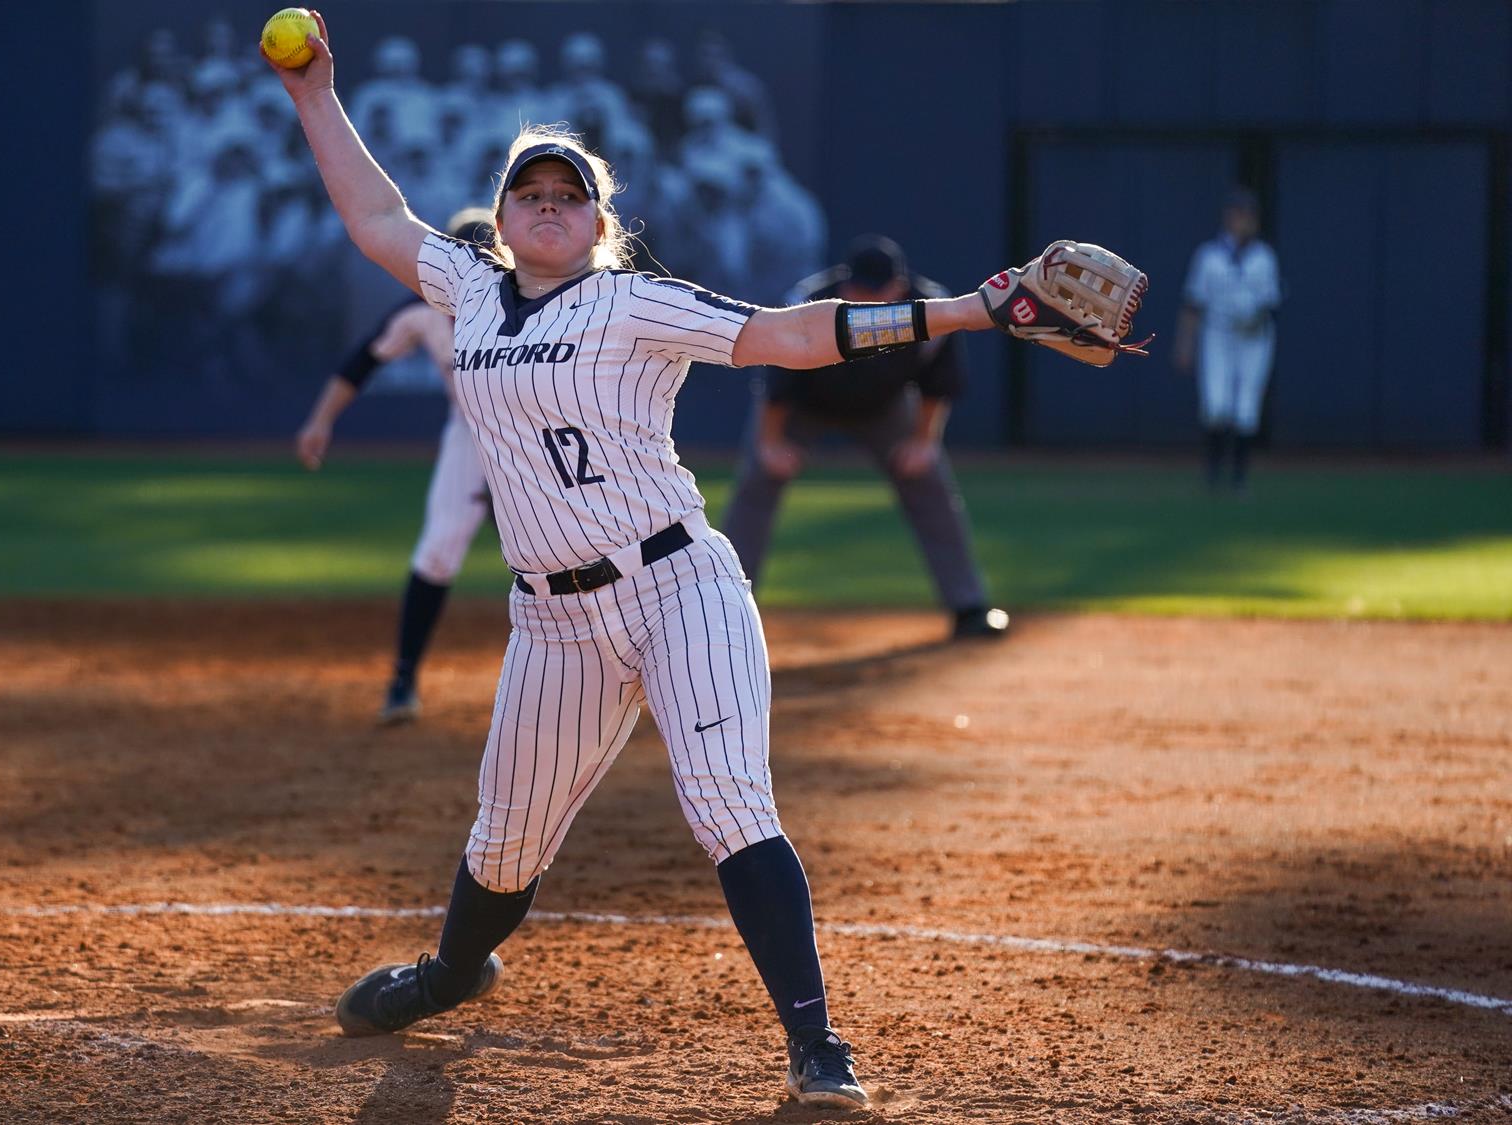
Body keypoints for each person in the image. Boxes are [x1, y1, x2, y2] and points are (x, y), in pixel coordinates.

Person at [263, 16, 1078, 1107]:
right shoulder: (462, 290)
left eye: (566, 195)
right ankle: (451, 973)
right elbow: (373, 212)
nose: (545, 207)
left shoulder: (632, 302)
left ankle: (815, 1044)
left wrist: (968, 313)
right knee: (503, 842)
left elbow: (788, 336)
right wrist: (314, 93)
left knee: (729, 803)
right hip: (551, 621)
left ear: (597, 221)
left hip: (678, 583)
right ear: (502, 220)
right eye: (526, 194)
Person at [722, 235, 1010, 640]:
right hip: (803, 404)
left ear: (900, 287)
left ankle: (969, 606)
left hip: (884, 408)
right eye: (859, 289)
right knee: (757, 481)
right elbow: (776, 381)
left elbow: (937, 386)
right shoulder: (806, 302)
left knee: (928, 481)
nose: (868, 298)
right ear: (844, 283)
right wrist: (770, 443)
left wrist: (924, 441)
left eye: (879, 291)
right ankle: (722, 608)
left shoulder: (931, 309)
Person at [295, 208, 499, 725]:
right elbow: (361, 362)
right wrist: (320, 421)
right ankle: (404, 679)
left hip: (545, 439)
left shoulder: (536, 302)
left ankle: (634, 677)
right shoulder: (423, 311)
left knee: (583, 550)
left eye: (486, 262)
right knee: (437, 551)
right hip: (471, 437)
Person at [1175, 188, 1281, 494]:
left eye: (1249, 215)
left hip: (1253, 338)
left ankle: (1239, 479)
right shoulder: (1209, 255)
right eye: (1240, 214)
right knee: (1216, 405)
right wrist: (1184, 344)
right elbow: (1193, 303)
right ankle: (1212, 474)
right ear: (1229, 217)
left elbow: (1269, 303)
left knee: (1246, 408)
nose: (1245, 221)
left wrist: (1254, 319)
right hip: (1218, 334)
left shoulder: (1263, 257)